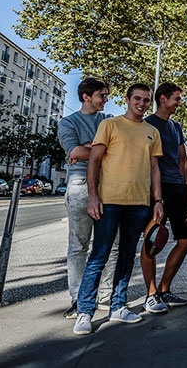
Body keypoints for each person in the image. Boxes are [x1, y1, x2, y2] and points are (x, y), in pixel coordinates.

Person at [73, 83, 164, 335]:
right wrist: (93, 196)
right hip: (109, 202)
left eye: (146, 100)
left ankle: (118, 306)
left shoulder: (151, 132)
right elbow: (94, 159)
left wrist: (157, 201)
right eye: (137, 98)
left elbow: (154, 168)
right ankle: (84, 312)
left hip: (139, 204)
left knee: (126, 257)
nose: (142, 104)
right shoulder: (109, 125)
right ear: (127, 99)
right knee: (99, 256)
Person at [57, 78, 117, 320]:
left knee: (112, 245)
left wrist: (89, 150)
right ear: (86, 97)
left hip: (111, 185)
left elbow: (91, 152)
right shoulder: (68, 122)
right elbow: (74, 152)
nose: (105, 99)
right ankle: (78, 298)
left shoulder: (109, 121)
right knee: (78, 245)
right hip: (80, 186)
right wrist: (103, 151)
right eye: (102, 95)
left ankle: (105, 296)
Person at [139, 82, 187, 314]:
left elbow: (183, 159)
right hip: (154, 190)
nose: (179, 104)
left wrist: (185, 185)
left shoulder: (176, 127)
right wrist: (155, 195)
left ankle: (164, 289)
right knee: (151, 241)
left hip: (177, 188)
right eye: (176, 99)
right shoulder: (146, 124)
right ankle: (151, 294)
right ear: (163, 99)